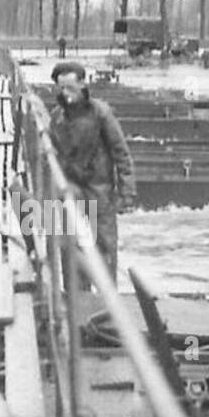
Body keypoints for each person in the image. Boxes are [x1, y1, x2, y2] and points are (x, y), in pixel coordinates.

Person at [47, 61, 136, 290]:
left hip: (100, 192)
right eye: (62, 89)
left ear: (83, 84)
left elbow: (121, 153)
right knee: (72, 252)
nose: (66, 94)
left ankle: (107, 308)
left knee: (105, 251)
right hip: (71, 193)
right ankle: (79, 307)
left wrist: (126, 193)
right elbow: (51, 156)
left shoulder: (101, 113)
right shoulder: (57, 117)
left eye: (70, 88)